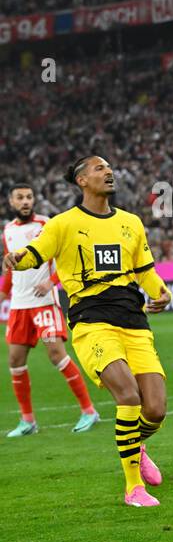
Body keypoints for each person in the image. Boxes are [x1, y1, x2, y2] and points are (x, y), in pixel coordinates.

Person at [3, 156, 172, 506]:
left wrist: (162, 292)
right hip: (92, 321)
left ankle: (136, 446)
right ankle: (132, 488)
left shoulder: (131, 223)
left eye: (110, 168)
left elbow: (144, 271)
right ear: (81, 180)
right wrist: (18, 258)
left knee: (155, 409)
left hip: (134, 320)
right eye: (99, 168)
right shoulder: (64, 224)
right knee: (128, 396)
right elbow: (37, 252)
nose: (109, 172)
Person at [1, 182, 98, 436]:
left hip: (44, 302)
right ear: (11, 202)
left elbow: (66, 260)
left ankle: (89, 411)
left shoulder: (47, 225)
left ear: (34, 200)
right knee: (15, 361)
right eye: (20, 197)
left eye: (29, 197)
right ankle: (28, 421)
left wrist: (51, 282)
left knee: (56, 353)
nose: (25, 201)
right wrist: (2, 295)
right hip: (19, 305)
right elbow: (11, 270)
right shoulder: (7, 231)